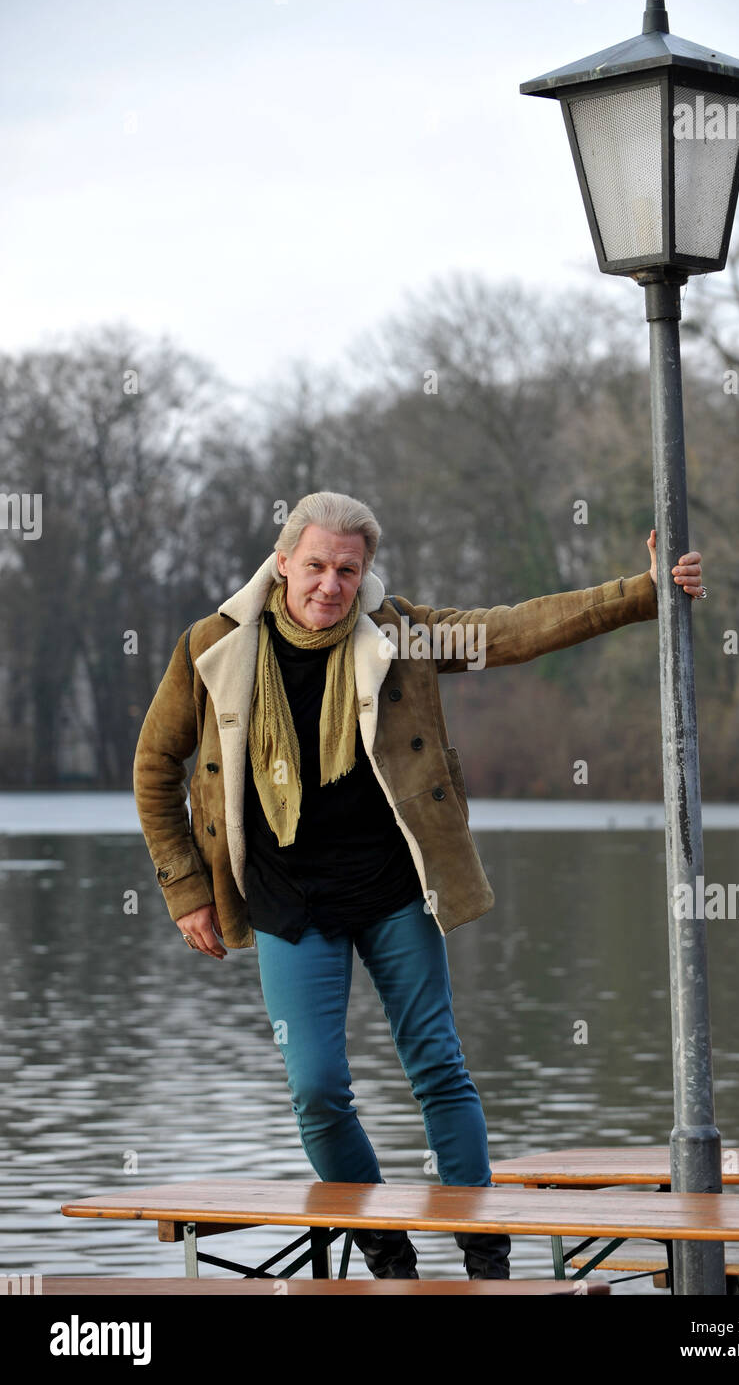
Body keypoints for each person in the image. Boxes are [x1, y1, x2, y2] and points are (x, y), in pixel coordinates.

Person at [133, 490, 705, 1280]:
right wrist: (183, 886)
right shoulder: (214, 645)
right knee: (316, 1088)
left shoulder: (398, 634)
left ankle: (483, 1251)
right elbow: (155, 763)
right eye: (315, 567)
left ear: (363, 574)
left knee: (436, 1065)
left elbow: (513, 631)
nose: (329, 585)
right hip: (285, 901)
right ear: (282, 563)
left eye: (347, 570)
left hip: (394, 886)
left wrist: (639, 592)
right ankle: (382, 1246)